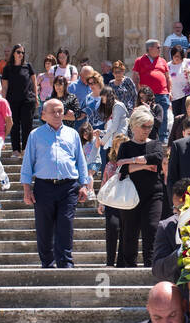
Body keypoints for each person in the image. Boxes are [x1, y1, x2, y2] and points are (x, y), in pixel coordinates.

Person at [20, 98, 90, 268]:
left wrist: (84, 185)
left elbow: (80, 161)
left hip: (68, 186)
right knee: (44, 227)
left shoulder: (72, 134)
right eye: (54, 111)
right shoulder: (35, 135)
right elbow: (28, 162)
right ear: (43, 115)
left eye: (61, 111)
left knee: (65, 225)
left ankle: (65, 262)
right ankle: (47, 262)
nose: (59, 114)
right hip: (44, 186)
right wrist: (27, 189)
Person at [116, 105, 165, 267]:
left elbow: (157, 159)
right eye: (144, 126)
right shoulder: (125, 146)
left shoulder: (155, 144)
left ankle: (151, 266)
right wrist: (144, 164)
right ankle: (129, 267)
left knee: (151, 228)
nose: (147, 130)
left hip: (153, 194)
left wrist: (131, 162)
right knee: (130, 231)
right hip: (130, 195)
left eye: (150, 126)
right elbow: (122, 169)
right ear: (134, 126)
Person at [97, 132, 129, 268]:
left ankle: (121, 262)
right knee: (112, 229)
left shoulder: (131, 163)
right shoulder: (110, 164)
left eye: (123, 146)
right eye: (117, 146)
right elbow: (104, 182)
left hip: (126, 202)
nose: (119, 148)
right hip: (111, 202)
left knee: (125, 232)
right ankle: (110, 261)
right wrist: (101, 202)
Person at [151, 177, 190, 283]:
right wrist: (180, 253)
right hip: (182, 289)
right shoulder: (166, 227)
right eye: (175, 207)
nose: (175, 211)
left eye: (181, 207)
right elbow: (158, 269)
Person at [0, 44, 37, 158]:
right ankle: (15, 150)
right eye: (18, 52)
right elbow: (5, 87)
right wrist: (3, 101)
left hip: (27, 100)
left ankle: (26, 149)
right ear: (13, 53)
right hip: (12, 101)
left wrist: (36, 97)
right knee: (14, 125)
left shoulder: (28, 66)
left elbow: (34, 82)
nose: (20, 54)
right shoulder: (7, 68)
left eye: (22, 52)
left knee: (27, 125)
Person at [167, 44, 190, 117]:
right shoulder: (168, 66)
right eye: (175, 56)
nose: (178, 58)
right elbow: (166, 80)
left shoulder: (188, 62)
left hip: (187, 94)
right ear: (172, 56)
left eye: (180, 56)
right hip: (174, 96)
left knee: (186, 117)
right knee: (177, 118)